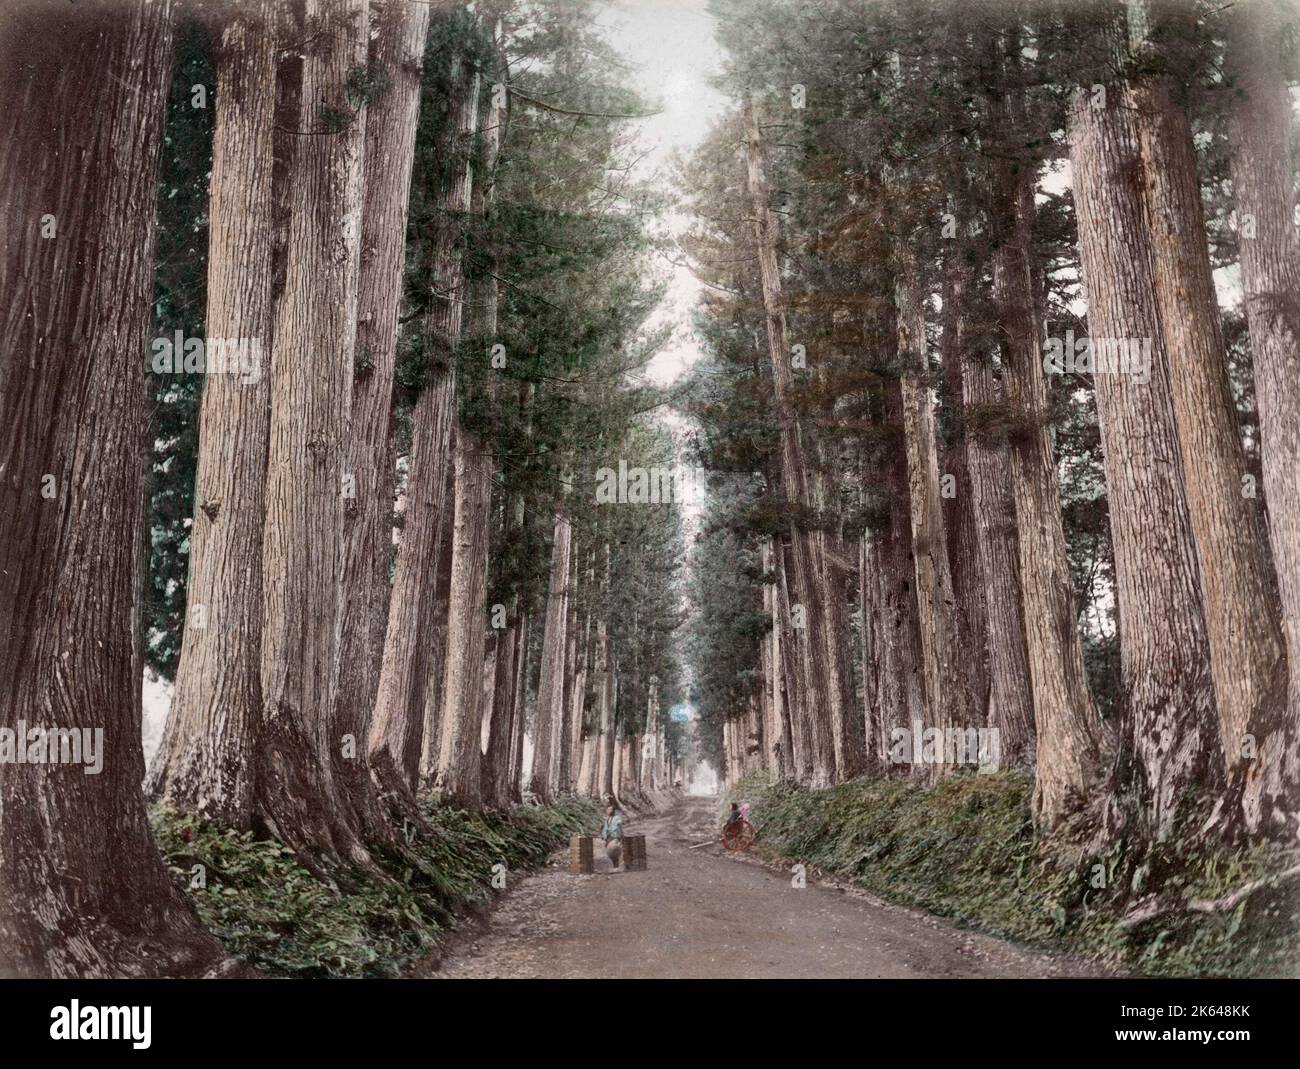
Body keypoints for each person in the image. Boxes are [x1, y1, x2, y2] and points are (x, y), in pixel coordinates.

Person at [601, 803, 624, 871]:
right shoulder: (607, 819)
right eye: (607, 809)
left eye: (609, 809)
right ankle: (615, 866)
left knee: (615, 851)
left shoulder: (617, 818)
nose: (607, 811)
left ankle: (616, 866)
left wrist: (621, 835)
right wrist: (603, 835)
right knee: (610, 853)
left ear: (613, 811)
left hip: (615, 837)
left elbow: (618, 826)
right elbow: (605, 828)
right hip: (608, 838)